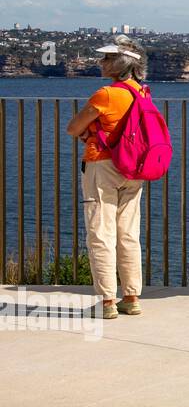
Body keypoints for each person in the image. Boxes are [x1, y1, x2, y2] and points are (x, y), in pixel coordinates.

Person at [65, 36, 150, 319]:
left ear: (118, 65)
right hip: (133, 168)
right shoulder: (142, 92)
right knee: (128, 233)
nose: (100, 63)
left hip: (102, 166)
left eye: (105, 59)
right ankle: (132, 297)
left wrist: (89, 133)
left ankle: (106, 302)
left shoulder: (105, 94)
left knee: (101, 233)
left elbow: (73, 128)